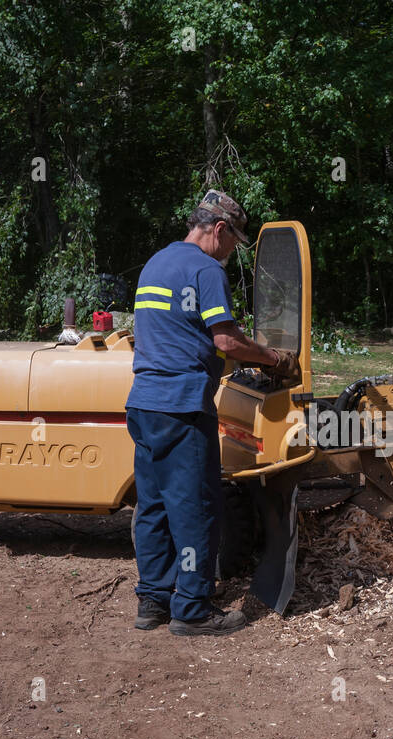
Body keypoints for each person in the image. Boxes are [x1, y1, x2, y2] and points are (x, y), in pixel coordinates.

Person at [126, 190, 301, 636]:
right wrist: (272, 359)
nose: (230, 254)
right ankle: (192, 610)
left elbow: (175, 332)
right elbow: (226, 341)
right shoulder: (205, 268)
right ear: (218, 230)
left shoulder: (156, 263)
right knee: (197, 508)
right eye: (232, 243)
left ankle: (153, 600)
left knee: (154, 506)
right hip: (182, 407)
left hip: (143, 403)